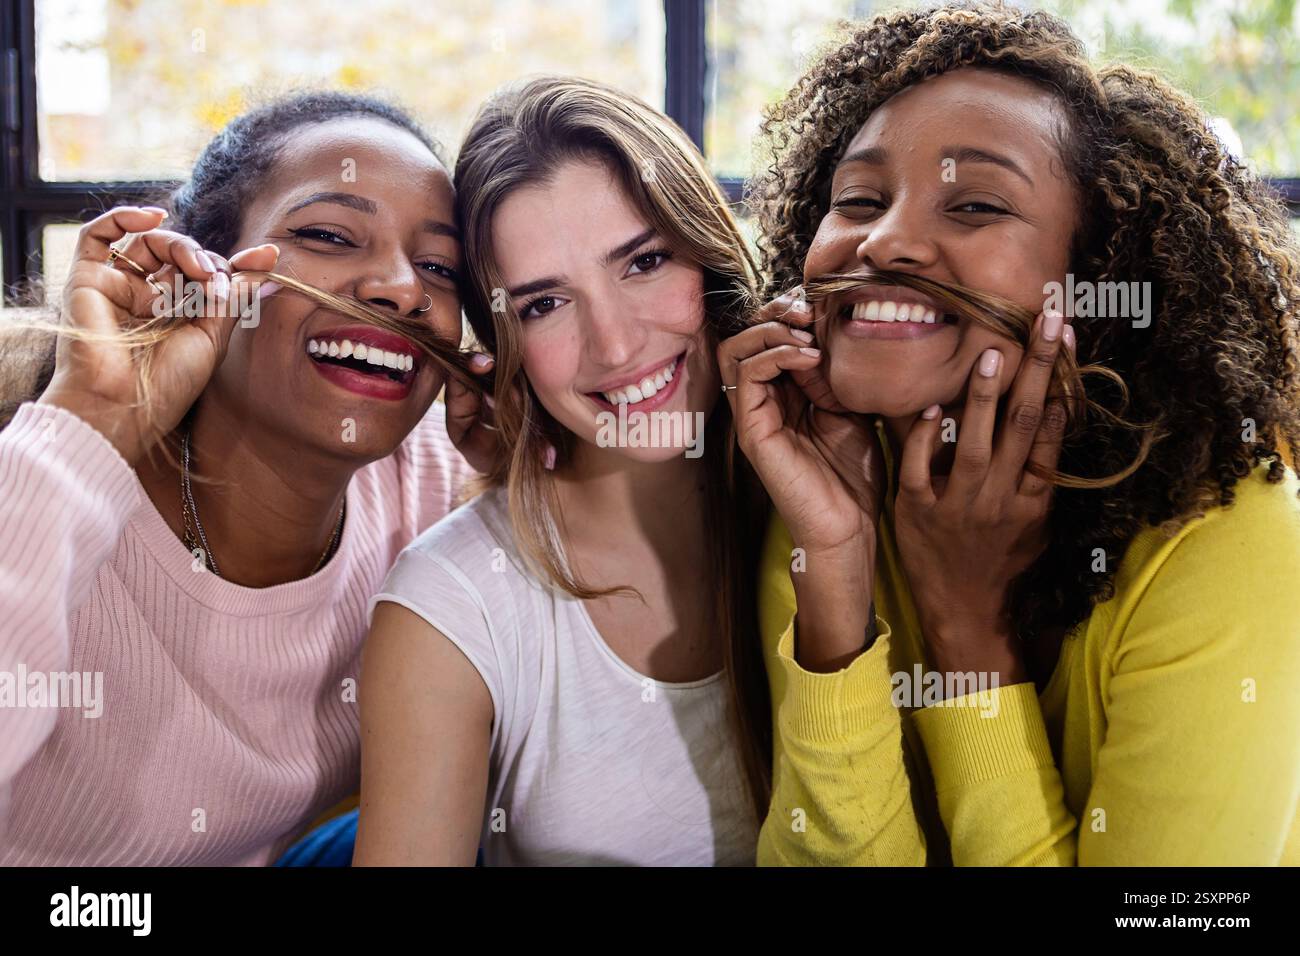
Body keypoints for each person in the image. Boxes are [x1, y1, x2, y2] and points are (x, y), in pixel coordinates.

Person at [725, 2, 1300, 865]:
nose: (883, 241)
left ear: (1103, 271)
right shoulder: (829, 483)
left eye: (977, 206)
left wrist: (968, 632)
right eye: (858, 199)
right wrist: (836, 570)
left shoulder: (1231, 534)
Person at [0, 91, 492, 865]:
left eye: (440, 266)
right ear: (199, 272)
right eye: (329, 234)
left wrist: (528, 493)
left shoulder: (433, 482)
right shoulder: (45, 476)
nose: (402, 289)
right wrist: (92, 415)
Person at [353, 77, 773, 865]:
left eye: (644, 261)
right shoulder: (453, 602)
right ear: (502, 349)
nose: (615, 346)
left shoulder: (835, 504)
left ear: (710, 256)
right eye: (545, 304)